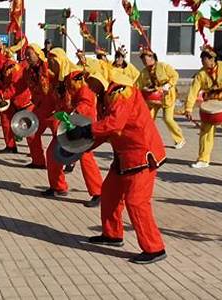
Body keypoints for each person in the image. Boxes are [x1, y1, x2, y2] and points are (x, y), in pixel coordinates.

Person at [65, 70, 167, 264]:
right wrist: (81, 147)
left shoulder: (122, 92)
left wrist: (86, 130)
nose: (89, 85)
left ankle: (155, 248)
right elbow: (106, 132)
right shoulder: (106, 97)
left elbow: (114, 123)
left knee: (136, 202)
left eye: (92, 81)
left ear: (102, 78)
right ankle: (112, 235)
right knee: (109, 193)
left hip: (142, 154)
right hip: (124, 155)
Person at [44, 47, 103, 208]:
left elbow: (87, 100)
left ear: (61, 61)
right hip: (66, 123)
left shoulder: (77, 77)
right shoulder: (57, 80)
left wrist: (74, 114)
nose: (49, 63)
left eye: (52, 60)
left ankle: (98, 192)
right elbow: (53, 101)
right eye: (49, 60)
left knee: (85, 157)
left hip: (82, 122)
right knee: (52, 153)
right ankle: (58, 186)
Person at [184, 45, 222, 168]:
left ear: (212, 59)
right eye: (202, 60)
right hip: (210, 107)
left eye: (205, 59)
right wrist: (188, 108)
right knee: (205, 132)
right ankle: (203, 159)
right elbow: (193, 91)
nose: (203, 62)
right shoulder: (201, 74)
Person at [137, 47, 185, 149]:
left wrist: (168, 85)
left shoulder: (163, 66)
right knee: (148, 119)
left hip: (167, 97)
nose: (144, 61)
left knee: (167, 118)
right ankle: (148, 140)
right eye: (142, 59)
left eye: (146, 58)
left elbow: (175, 75)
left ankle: (179, 139)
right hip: (152, 99)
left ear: (152, 57)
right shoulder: (144, 72)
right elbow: (138, 85)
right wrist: (143, 89)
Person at [21, 43, 59, 169]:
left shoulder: (49, 66)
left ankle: (69, 160)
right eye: (26, 55)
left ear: (38, 54)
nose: (27, 57)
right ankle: (38, 161)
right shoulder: (28, 71)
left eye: (29, 54)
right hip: (41, 106)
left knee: (60, 136)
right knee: (31, 132)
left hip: (54, 108)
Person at [0, 58, 34, 154]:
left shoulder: (17, 74)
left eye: (8, 68)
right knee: (6, 120)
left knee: (30, 129)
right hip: (14, 102)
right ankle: (10, 146)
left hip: (25, 103)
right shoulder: (11, 72)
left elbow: (13, 89)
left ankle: (35, 155)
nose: (7, 71)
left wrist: (1, 95)